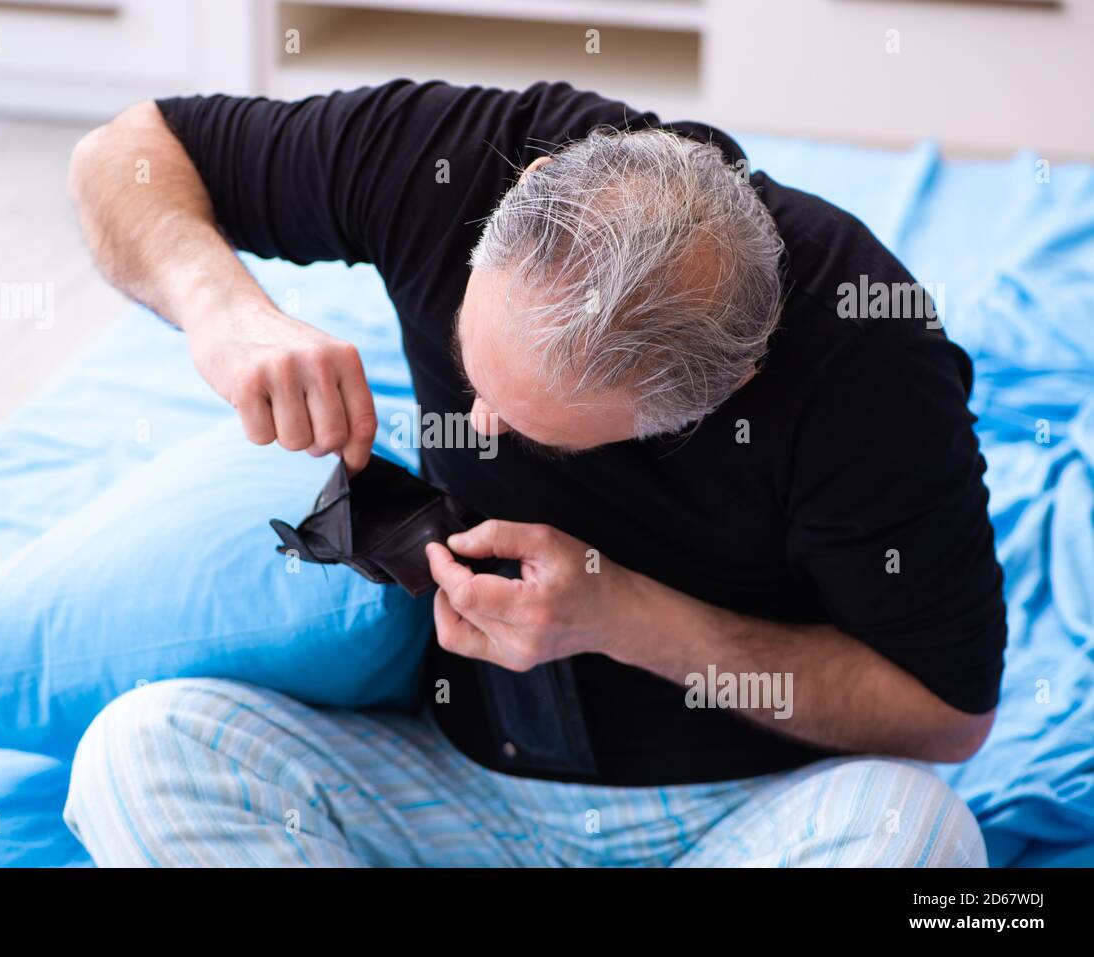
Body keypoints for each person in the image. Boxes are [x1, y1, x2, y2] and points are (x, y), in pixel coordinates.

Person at [62, 80, 1005, 867]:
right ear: (532, 185)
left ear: (730, 386)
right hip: (444, 782)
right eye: (474, 371)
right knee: (137, 751)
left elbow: (945, 715)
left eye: (540, 431)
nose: (480, 428)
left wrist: (626, 616)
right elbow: (123, 153)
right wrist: (226, 312)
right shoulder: (451, 161)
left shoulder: (868, 360)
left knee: (917, 839)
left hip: (743, 814)